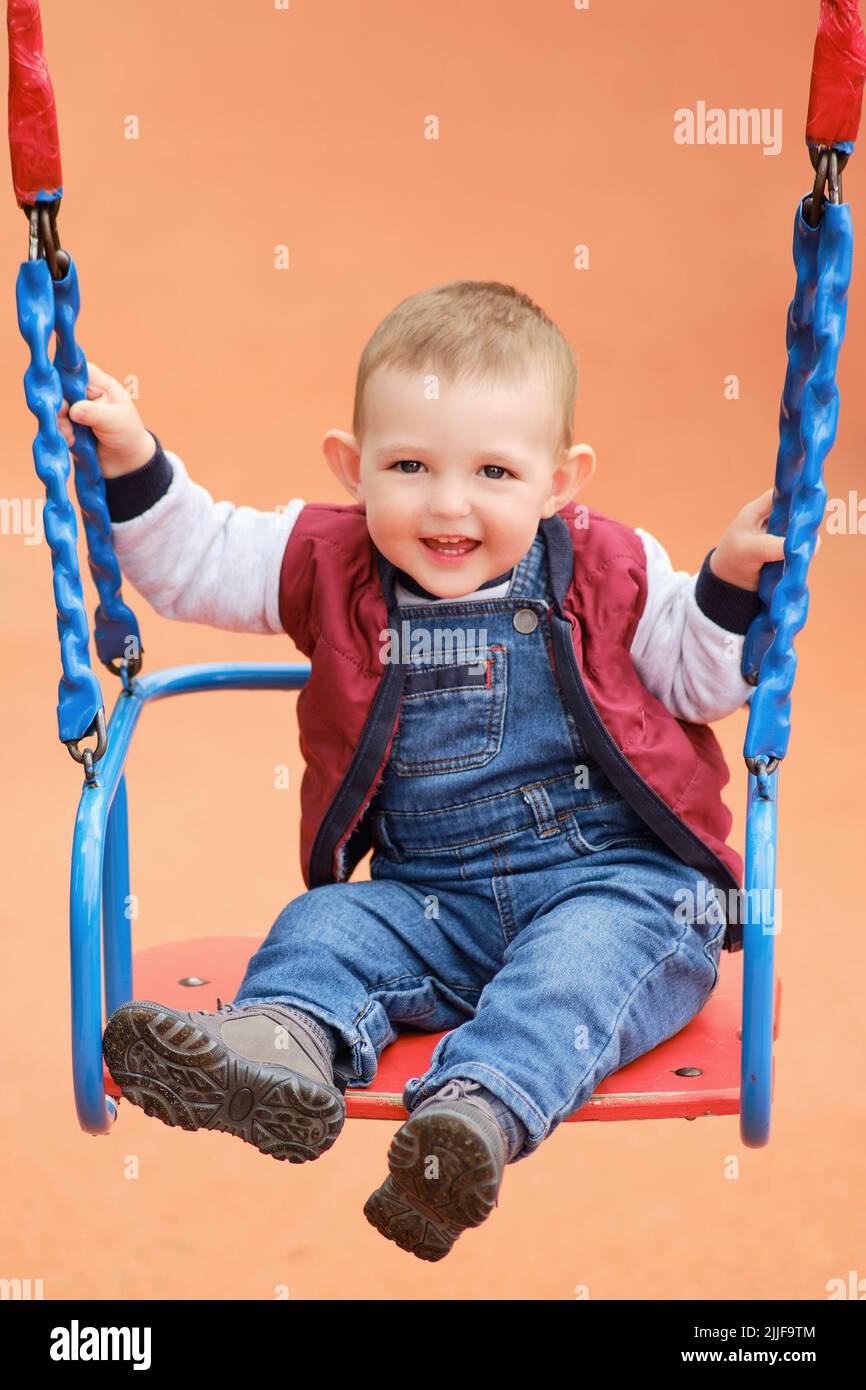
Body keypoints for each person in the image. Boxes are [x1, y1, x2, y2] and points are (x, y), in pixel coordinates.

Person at [64, 281, 784, 1262]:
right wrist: (131, 458)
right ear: (350, 468)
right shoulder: (327, 558)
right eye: (408, 465)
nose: (448, 503)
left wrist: (730, 586)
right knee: (324, 922)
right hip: (428, 901)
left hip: (618, 887)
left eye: (493, 471)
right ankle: (276, 1049)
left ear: (559, 481)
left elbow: (697, 684)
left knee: (570, 974)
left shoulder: (611, 566)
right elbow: (197, 555)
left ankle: (466, 1123)